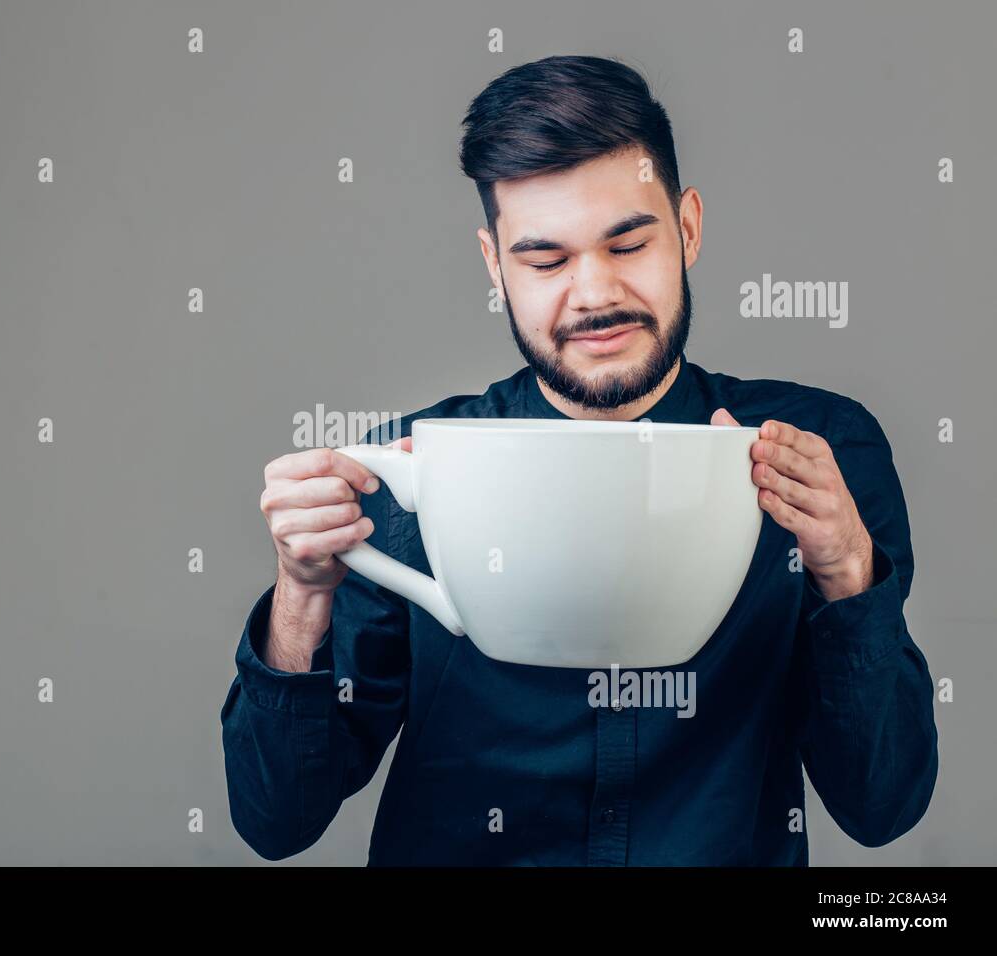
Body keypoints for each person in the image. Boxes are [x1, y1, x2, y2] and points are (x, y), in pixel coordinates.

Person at [219, 55, 938, 865]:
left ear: (689, 228)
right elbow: (277, 821)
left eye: (628, 243)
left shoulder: (821, 453)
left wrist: (846, 569)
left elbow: (883, 805)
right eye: (547, 261)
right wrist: (299, 598)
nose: (593, 294)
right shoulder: (405, 473)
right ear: (495, 268)